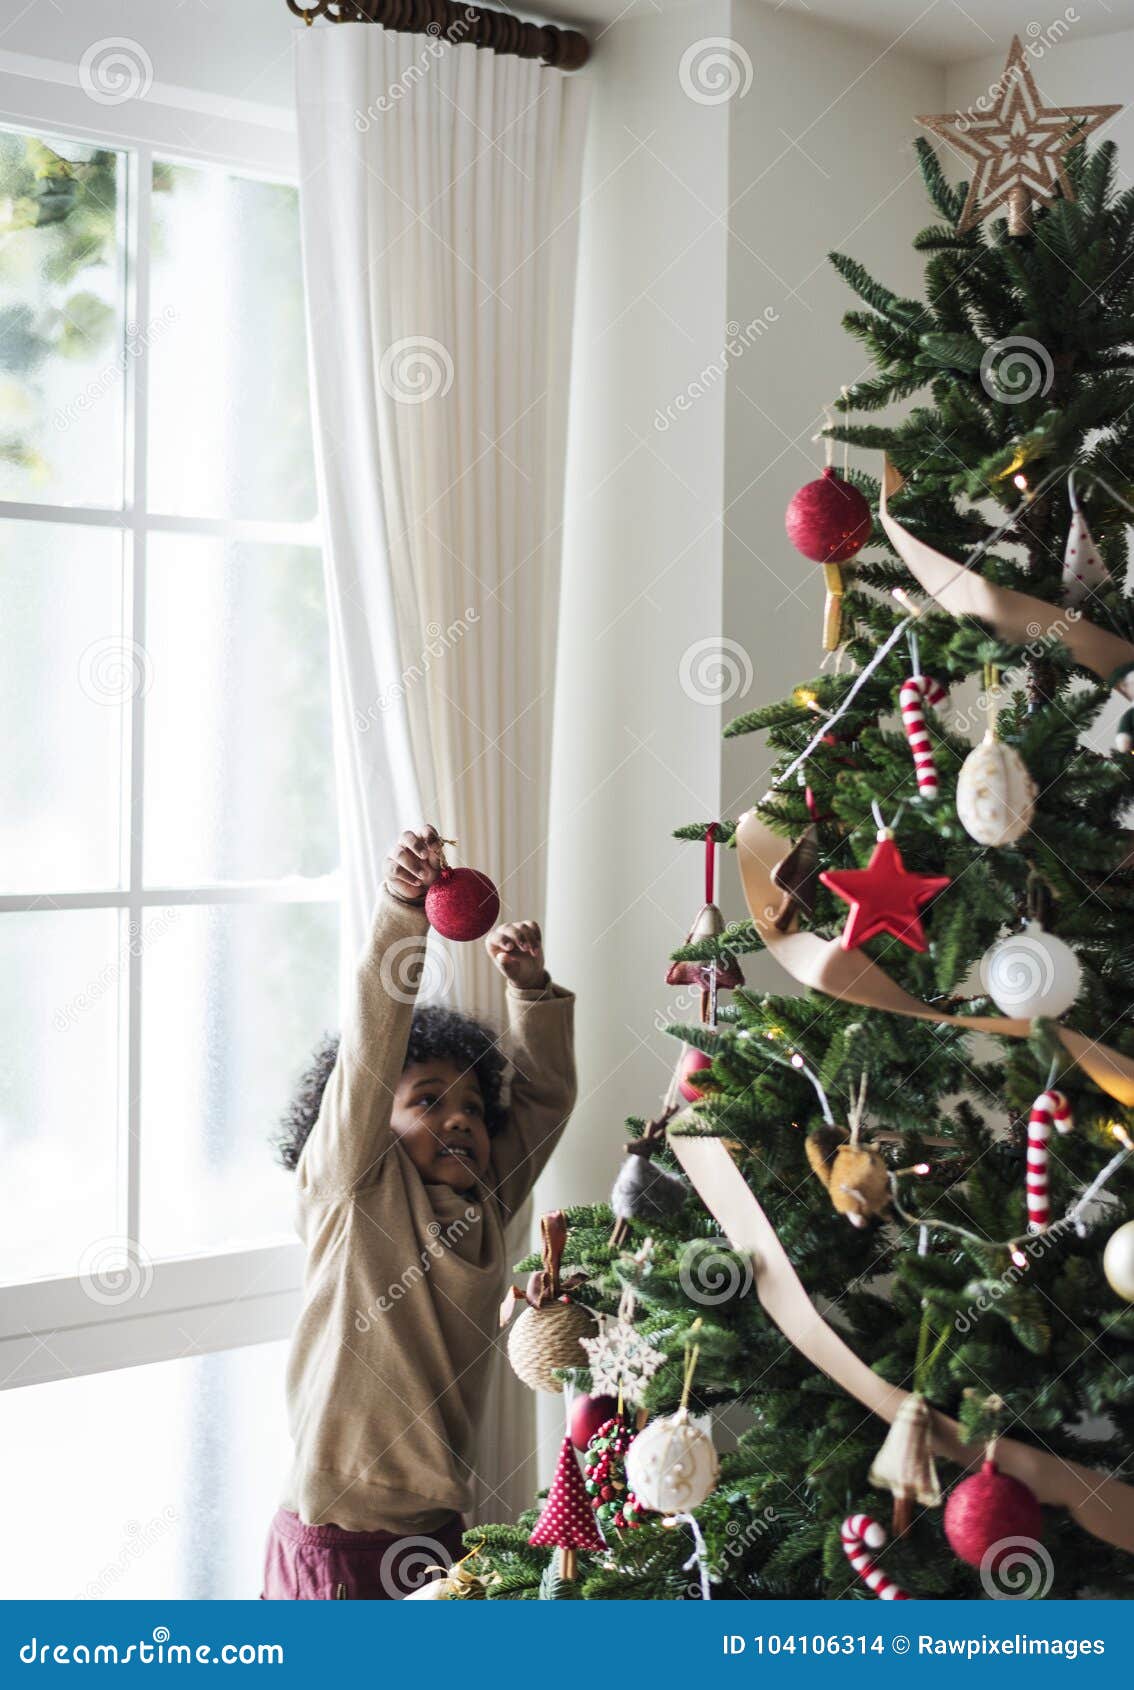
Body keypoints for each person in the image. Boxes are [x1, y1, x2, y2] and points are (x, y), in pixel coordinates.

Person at [262, 826, 576, 1599]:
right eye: (429, 1101)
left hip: (437, 1528)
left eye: (472, 1105)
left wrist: (531, 991)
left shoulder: (482, 1203)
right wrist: (405, 912)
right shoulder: (355, 1190)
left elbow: (544, 1099)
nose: (460, 1118)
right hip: (335, 1534)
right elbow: (372, 1048)